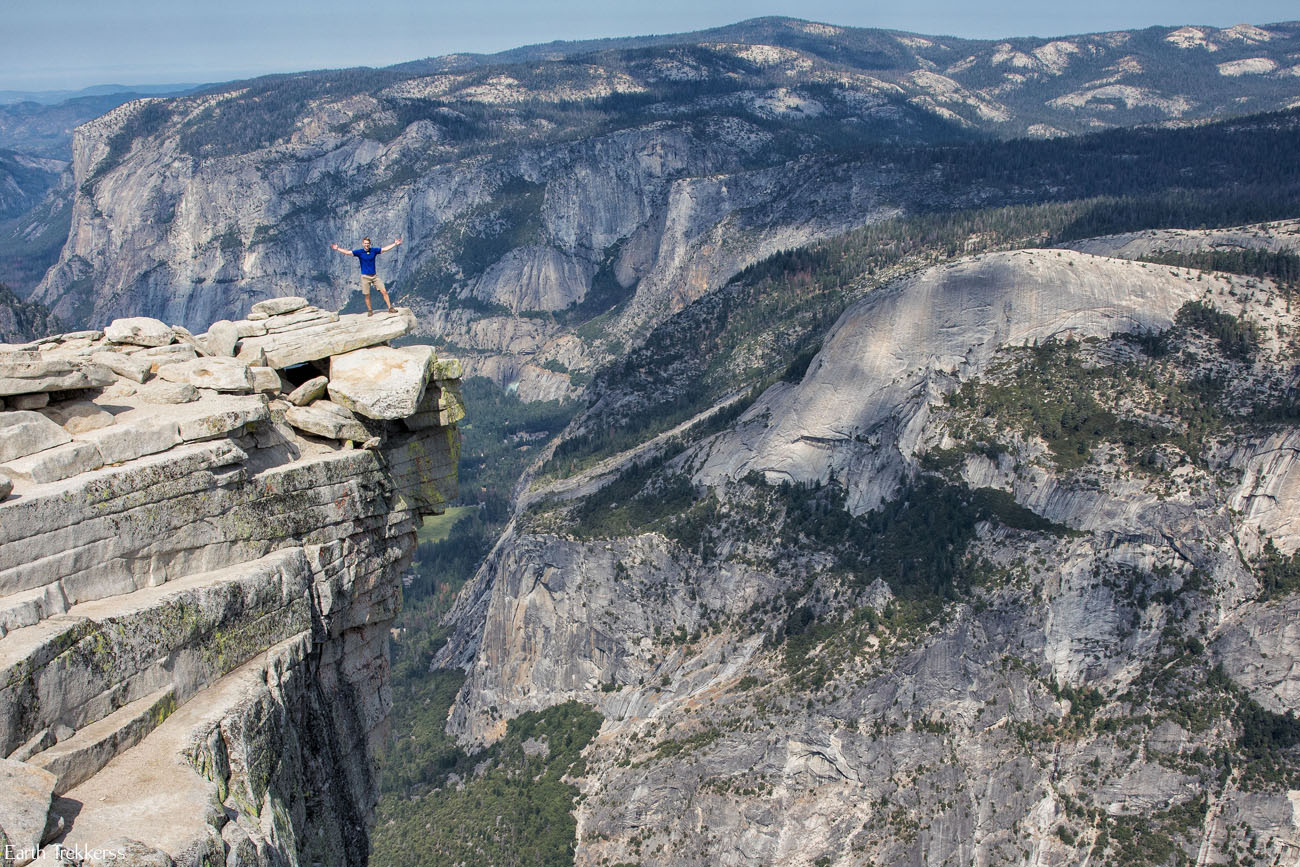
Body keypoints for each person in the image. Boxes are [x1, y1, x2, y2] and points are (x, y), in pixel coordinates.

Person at [330, 236, 401, 314]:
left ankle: (390, 308)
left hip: (374, 276)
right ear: (362, 244)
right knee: (367, 295)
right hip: (365, 277)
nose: (366, 245)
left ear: (370, 244)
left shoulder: (374, 251)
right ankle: (370, 310)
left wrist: (395, 244)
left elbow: (384, 249)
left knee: (384, 291)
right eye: (365, 243)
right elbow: (348, 252)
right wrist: (337, 248)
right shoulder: (359, 252)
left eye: (368, 243)